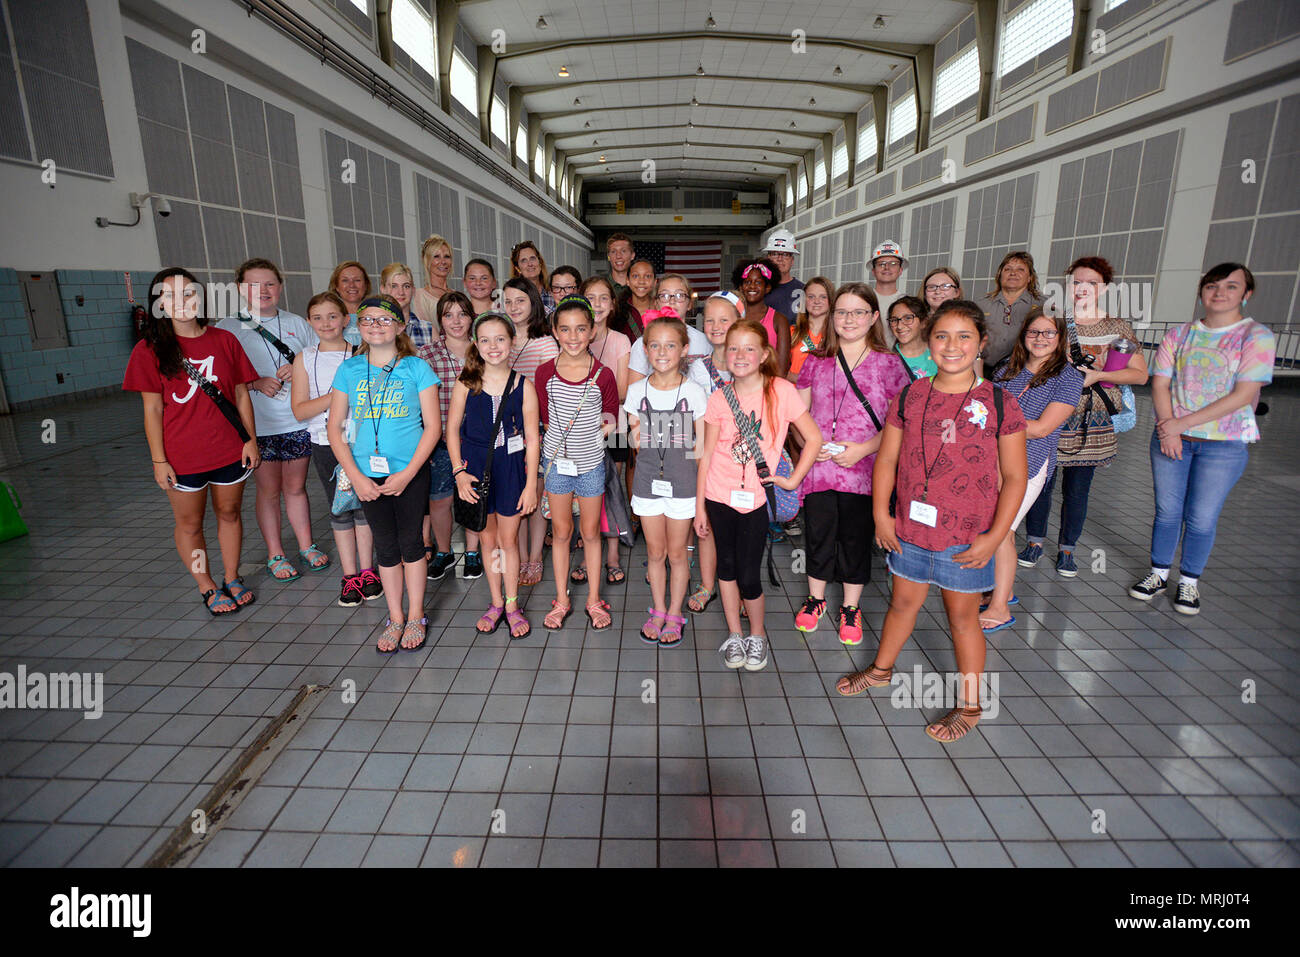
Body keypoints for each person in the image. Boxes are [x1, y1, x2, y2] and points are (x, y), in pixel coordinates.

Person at [836, 300, 1028, 743]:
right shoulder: (911, 395)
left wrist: (995, 538)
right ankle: (882, 670)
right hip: (911, 529)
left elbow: (1015, 478)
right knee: (902, 603)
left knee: (962, 619)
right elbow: (886, 458)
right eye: (942, 336)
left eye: (964, 337)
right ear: (929, 340)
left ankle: (971, 704)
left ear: (982, 342)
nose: (952, 346)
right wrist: (881, 515)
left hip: (967, 537)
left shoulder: (999, 401)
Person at [1130, 263, 1274, 615]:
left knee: (1202, 516)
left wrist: (1182, 424)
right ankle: (1158, 574)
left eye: (1230, 286)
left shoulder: (1256, 336)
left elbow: (1244, 394)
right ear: (1202, 291)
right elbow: (1160, 383)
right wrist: (1168, 426)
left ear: (1246, 293)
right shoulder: (1180, 335)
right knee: (1167, 512)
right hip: (1170, 437)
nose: (1220, 293)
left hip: (1223, 445)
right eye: (1212, 286)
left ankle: (1189, 582)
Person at [123, 267, 260, 615]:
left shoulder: (224, 340)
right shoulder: (148, 350)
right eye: (169, 296)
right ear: (158, 305)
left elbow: (241, 395)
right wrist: (159, 459)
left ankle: (231, 576)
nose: (180, 302)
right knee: (189, 524)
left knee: (229, 513)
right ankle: (207, 584)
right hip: (182, 455)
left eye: (187, 293)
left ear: (199, 297)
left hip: (230, 447)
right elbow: (152, 410)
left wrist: (250, 440)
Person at [695, 319, 821, 672]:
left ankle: (757, 634)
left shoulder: (780, 390)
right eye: (733, 347)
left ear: (764, 354)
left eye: (750, 348)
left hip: (754, 498)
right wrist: (700, 506)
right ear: (723, 354)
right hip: (719, 495)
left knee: (750, 574)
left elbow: (813, 438)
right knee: (727, 566)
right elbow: (705, 455)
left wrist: (794, 480)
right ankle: (735, 635)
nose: (740, 354)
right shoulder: (719, 398)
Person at [794, 283, 910, 644]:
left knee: (855, 538)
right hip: (820, 468)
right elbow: (797, 415)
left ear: (874, 316)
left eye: (858, 312)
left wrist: (863, 449)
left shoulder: (889, 364)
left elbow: (901, 422)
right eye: (841, 312)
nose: (848, 319)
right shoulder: (815, 359)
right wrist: (810, 448)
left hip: (865, 469)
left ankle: (850, 606)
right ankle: (815, 600)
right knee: (819, 534)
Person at [1019, 256, 1148, 577]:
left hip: (1093, 422)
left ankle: (1067, 549)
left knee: (1078, 489)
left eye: (1092, 283)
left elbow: (1140, 375)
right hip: (1050, 416)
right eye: (1077, 282)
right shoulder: (1055, 321)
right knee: (1041, 482)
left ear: (1104, 288)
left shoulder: (1118, 328)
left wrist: (1097, 375)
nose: (1083, 289)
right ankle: (1034, 541)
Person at [327, 296, 441, 653]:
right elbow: (335, 430)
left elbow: (432, 428)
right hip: (365, 475)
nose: (376, 326)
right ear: (357, 326)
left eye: (384, 319)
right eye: (368, 320)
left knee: (411, 544)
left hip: (409, 473)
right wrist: (357, 478)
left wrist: (408, 473)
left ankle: (416, 615)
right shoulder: (349, 370)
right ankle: (394, 616)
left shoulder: (416, 368)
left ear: (401, 326)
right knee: (386, 547)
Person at [219, 257, 326, 583]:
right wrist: (254, 383)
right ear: (240, 289)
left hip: (296, 421)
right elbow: (221, 380)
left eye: (269, 283)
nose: (262, 290)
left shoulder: (299, 324)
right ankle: (275, 552)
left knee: (295, 488)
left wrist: (298, 370)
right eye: (254, 284)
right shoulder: (227, 328)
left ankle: (306, 545)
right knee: (267, 490)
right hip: (257, 426)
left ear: (279, 287)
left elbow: (319, 362)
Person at [983, 308, 1083, 631]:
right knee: (994, 529)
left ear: (1060, 338)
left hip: (1030, 462)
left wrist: (992, 420)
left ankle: (999, 608)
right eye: (1033, 332)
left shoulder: (1067, 377)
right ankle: (1004, 590)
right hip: (993, 459)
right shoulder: (1006, 370)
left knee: (1003, 532)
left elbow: (1041, 428)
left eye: (1048, 333)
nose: (1040, 339)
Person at [447, 312, 540, 639]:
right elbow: (451, 431)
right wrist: (459, 472)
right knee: (488, 540)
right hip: (474, 470)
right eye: (484, 339)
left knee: (508, 540)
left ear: (512, 341)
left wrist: (530, 486)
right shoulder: (465, 382)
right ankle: (496, 601)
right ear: (475, 343)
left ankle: (513, 604)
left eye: (500, 338)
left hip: (511, 469)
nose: (493, 346)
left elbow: (532, 438)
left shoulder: (522, 385)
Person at [291, 291, 381, 607]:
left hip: (361, 443)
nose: (326, 323)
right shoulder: (304, 358)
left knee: (364, 506)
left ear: (346, 319)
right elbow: (300, 411)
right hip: (325, 444)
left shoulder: (362, 354)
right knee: (340, 508)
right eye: (318, 317)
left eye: (332, 316)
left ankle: (369, 571)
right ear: (309, 322)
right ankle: (350, 574)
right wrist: (339, 393)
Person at [535, 297, 621, 631]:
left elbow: (610, 415)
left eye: (581, 329)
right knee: (561, 533)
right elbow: (545, 417)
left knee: (590, 533)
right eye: (566, 329)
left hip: (591, 466)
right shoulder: (544, 373)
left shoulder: (603, 375)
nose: (573, 336)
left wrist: (601, 430)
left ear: (592, 331)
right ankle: (561, 598)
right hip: (557, 465)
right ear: (555, 331)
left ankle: (593, 599)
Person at [626, 316, 708, 647]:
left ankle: (675, 612)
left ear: (685, 350)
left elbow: (701, 450)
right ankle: (658, 609)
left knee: (677, 553)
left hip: (684, 486)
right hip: (648, 484)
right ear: (645, 350)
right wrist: (641, 434)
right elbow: (634, 443)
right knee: (655, 552)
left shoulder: (695, 392)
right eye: (655, 345)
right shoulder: (635, 391)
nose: (662, 351)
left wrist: (701, 502)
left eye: (671, 345)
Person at [684, 292, 742, 614]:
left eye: (724, 319)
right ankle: (708, 585)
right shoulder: (697, 370)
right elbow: (696, 422)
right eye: (710, 319)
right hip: (710, 459)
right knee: (705, 527)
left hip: (743, 462)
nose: (716, 325)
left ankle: (744, 588)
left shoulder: (750, 362)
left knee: (741, 527)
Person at [418, 292, 482, 581]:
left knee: (472, 498)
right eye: (448, 314)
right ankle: (443, 551)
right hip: (439, 442)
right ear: (440, 321)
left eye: (462, 313)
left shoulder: (484, 350)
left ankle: (472, 552)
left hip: (476, 442)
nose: (456, 321)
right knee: (440, 500)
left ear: (471, 317)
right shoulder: (427, 355)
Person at [502, 276, 559, 586]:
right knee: (512, 496)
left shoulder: (546, 343)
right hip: (506, 432)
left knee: (534, 496)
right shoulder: (502, 338)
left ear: (533, 303)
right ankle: (518, 557)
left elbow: (551, 394)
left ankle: (534, 557)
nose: (513, 307)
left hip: (536, 429)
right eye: (508, 301)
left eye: (520, 301)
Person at [582, 275, 632, 585]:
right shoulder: (574, 336)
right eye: (591, 297)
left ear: (612, 305)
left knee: (610, 490)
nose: (597, 304)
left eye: (603, 298)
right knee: (585, 494)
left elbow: (623, 390)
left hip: (612, 424)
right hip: (579, 430)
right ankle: (589, 556)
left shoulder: (621, 341)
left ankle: (612, 554)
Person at [628, 273, 712, 385]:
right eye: (664, 296)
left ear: (689, 304)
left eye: (679, 295)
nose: (672, 301)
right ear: (656, 303)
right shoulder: (642, 344)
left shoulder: (705, 342)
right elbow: (634, 389)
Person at [979, 252, 1043, 371]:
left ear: (1030, 277)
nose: (1013, 273)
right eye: (1008, 269)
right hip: (984, 370)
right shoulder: (982, 304)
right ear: (1000, 275)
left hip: (1026, 372)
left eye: (1021, 269)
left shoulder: (1044, 305)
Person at [732, 258, 792, 376]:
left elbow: (781, 371)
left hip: (768, 388)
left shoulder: (779, 320)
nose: (752, 286)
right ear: (741, 287)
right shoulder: (733, 317)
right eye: (747, 282)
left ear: (767, 288)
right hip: (737, 386)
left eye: (758, 282)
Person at [380, 262, 435, 351]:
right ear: (383, 289)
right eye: (394, 286)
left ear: (413, 290)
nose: (401, 292)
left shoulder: (428, 330)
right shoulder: (374, 328)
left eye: (406, 286)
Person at [787, 276, 833, 382]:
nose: (816, 301)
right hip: (795, 395)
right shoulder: (792, 332)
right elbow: (779, 370)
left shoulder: (837, 334)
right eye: (811, 297)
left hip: (825, 395)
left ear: (831, 301)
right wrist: (801, 380)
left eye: (823, 297)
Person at [888, 296, 937, 380]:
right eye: (894, 320)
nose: (899, 326)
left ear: (924, 322)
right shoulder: (887, 360)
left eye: (908, 318)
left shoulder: (939, 353)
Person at [762, 228, 804, 324]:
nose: (780, 259)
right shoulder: (759, 289)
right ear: (768, 258)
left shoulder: (803, 290)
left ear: (792, 260)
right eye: (775, 254)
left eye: (785, 254)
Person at [411, 235, 453, 328]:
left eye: (447, 256)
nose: (443, 261)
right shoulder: (419, 296)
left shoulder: (457, 295)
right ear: (427, 260)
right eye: (436, 256)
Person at [328, 260, 370, 345]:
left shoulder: (377, 315)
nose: (352, 285)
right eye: (345, 280)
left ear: (366, 285)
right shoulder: (327, 317)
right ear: (336, 286)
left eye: (357, 280)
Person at [869, 241, 908, 326]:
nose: (887, 267)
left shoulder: (907, 302)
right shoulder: (864, 298)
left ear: (900, 270)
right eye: (881, 264)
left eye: (893, 264)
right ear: (873, 271)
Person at [617, 258, 656, 340]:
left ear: (655, 282)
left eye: (647, 276)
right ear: (627, 281)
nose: (641, 281)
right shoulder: (617, 312)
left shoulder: (662, 310)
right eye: (635, 276)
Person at [511, 240, 553, 313]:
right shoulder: (513, 297)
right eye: (523, 261)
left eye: (532, 258)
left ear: (540, 262)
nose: (530, 264)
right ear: (518, 269)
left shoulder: (553, 291)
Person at [605, 232, 634, 300]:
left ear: (632, 255)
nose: (618, 256)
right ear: (608, 256)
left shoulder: (639, 286)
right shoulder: (601, 285)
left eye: (623, 251)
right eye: (613, 252)